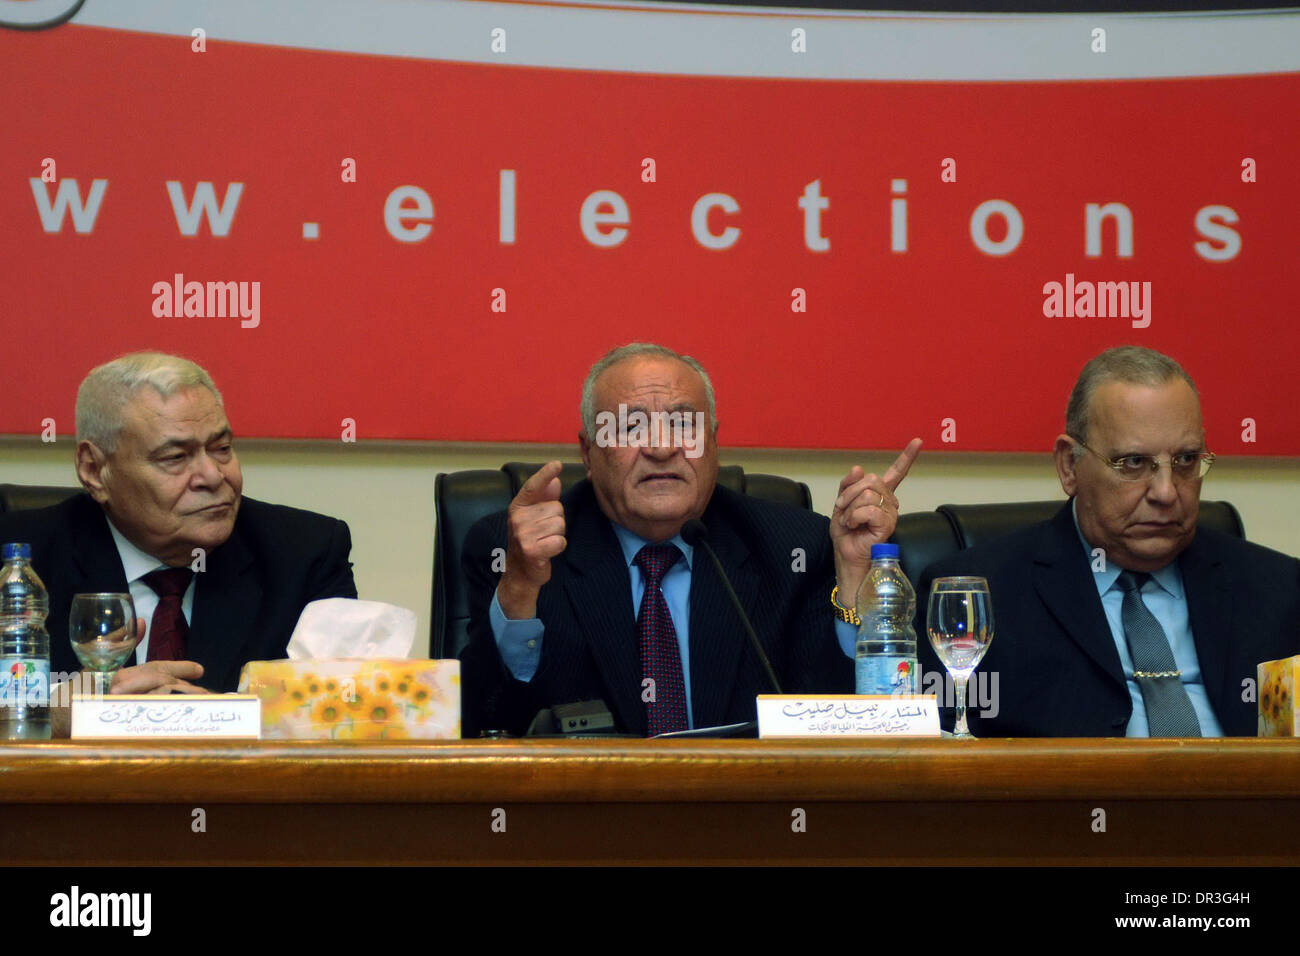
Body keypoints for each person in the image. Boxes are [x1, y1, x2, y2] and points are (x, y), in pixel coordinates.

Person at [459, 342, 922, 737]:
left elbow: (851, 730)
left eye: (685, 425)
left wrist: (858, 578)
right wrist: (519, 589)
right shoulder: (521, 552)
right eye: (630, 426)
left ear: (714, 443)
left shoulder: (792, 549)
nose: (661, 446)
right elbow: (483, 726)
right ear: (589, 451)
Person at [917, 345, 1299, 737]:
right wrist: (854, 602)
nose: (1166, 492)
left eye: (1185, 460)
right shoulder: (977, 597)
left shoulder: (1280, 592)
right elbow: (899, 754)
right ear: (1069, 466)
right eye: (1133, 463)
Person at [0, 352, 357, 696]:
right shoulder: (17, 561)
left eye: (222, 448)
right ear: (94, 470)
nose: (213, 476)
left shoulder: (305, 555)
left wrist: (225, 718)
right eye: (175, 457)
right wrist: (54, 709)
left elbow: (342, 710)